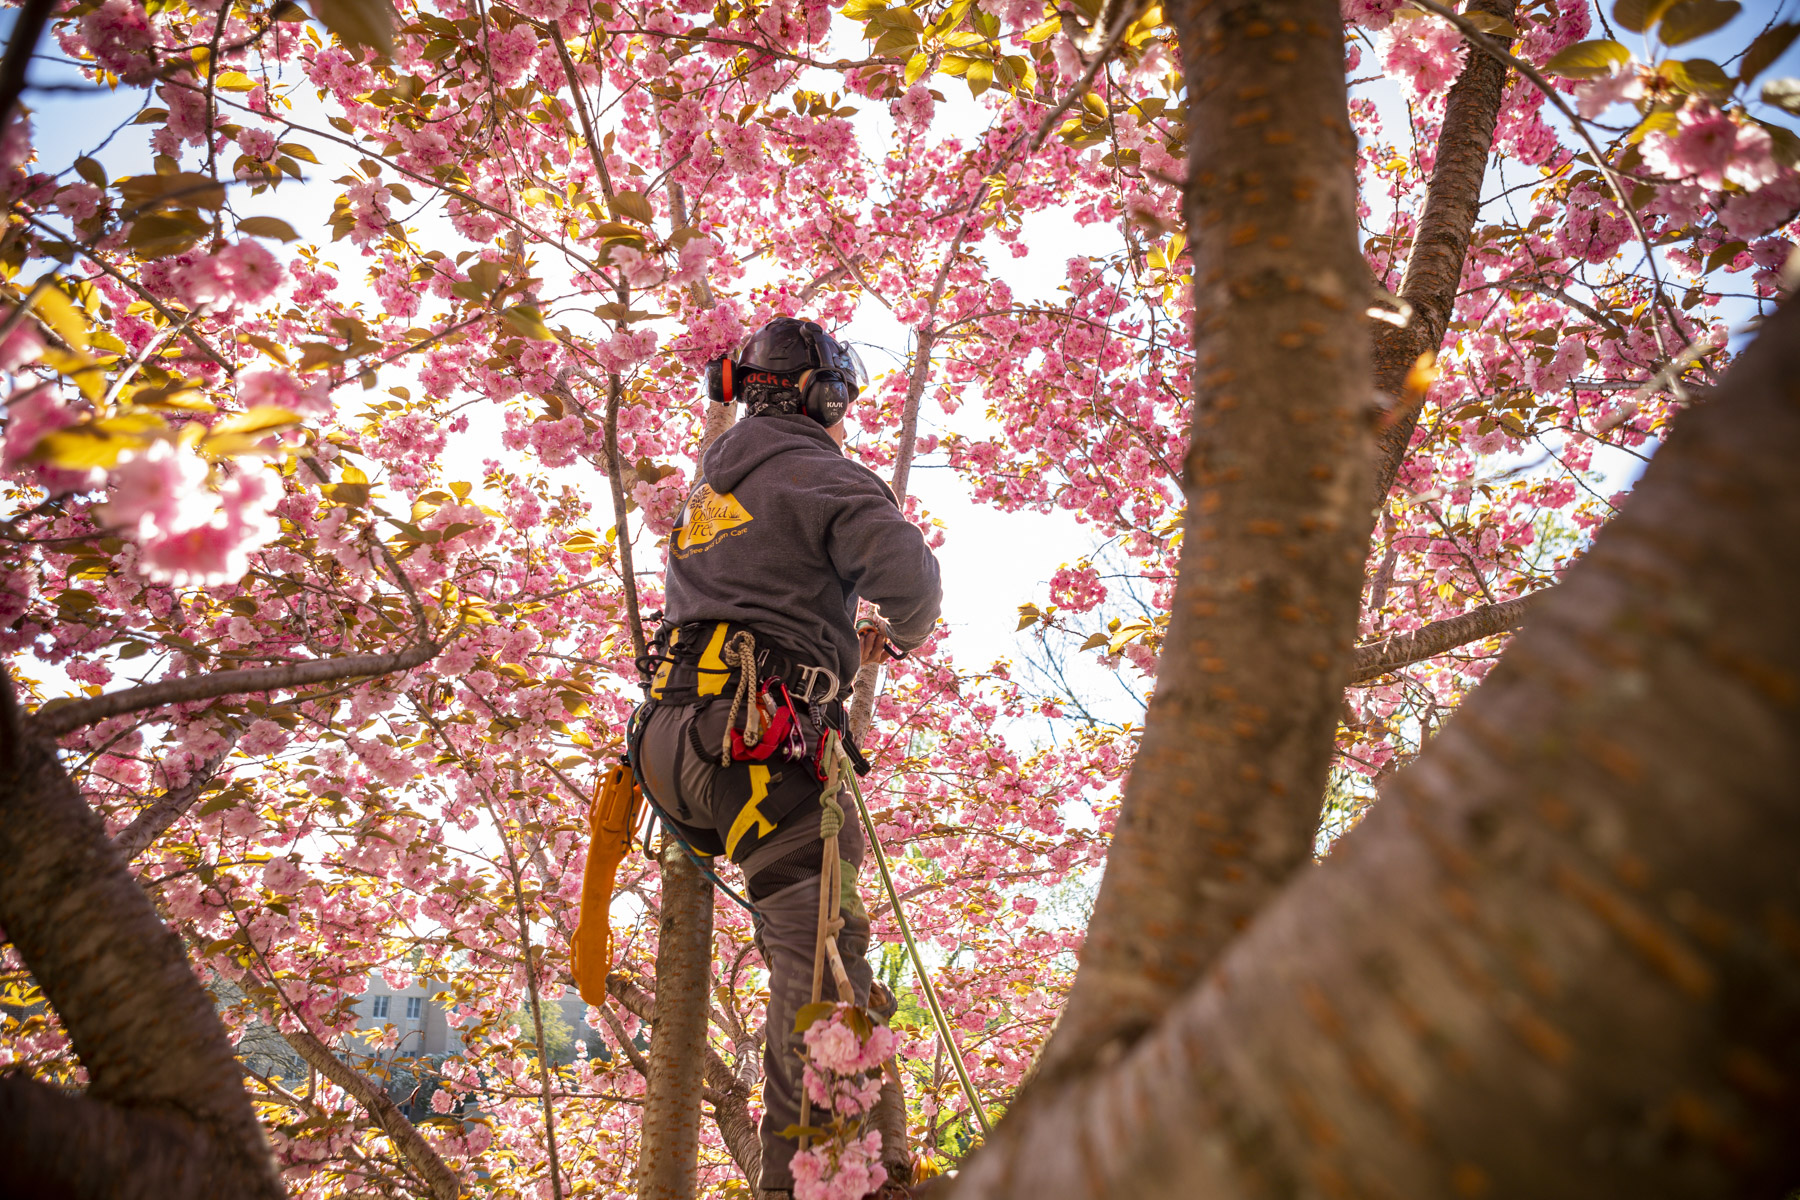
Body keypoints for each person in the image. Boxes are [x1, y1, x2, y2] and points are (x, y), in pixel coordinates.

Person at [631, 316, 942, 1198]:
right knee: (822, 975)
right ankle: (804, 1189)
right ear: (824, 395)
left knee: (838, 946)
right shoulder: (823, 472)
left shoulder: (710, 485)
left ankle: (877, 1173)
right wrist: (900, 633)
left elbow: (760, 590)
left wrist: (838, 641)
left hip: (676, 743)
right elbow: (912, 582)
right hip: (758, 743)